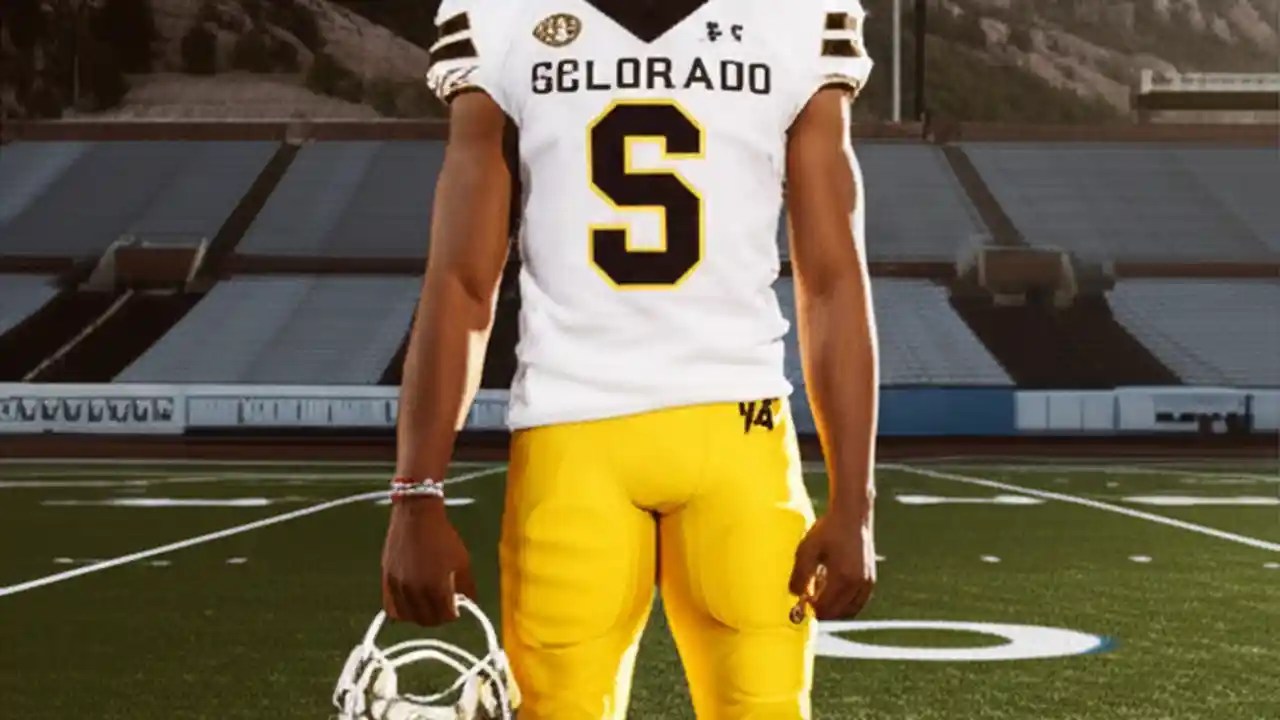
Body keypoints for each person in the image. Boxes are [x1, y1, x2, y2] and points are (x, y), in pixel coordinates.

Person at [381, 0, 879, 717]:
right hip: (589, 440)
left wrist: (856, 504)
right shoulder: (506, 16)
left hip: (703, 440)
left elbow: (834, 279)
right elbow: (460, 279)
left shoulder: (794, 15)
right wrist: (414, 494)